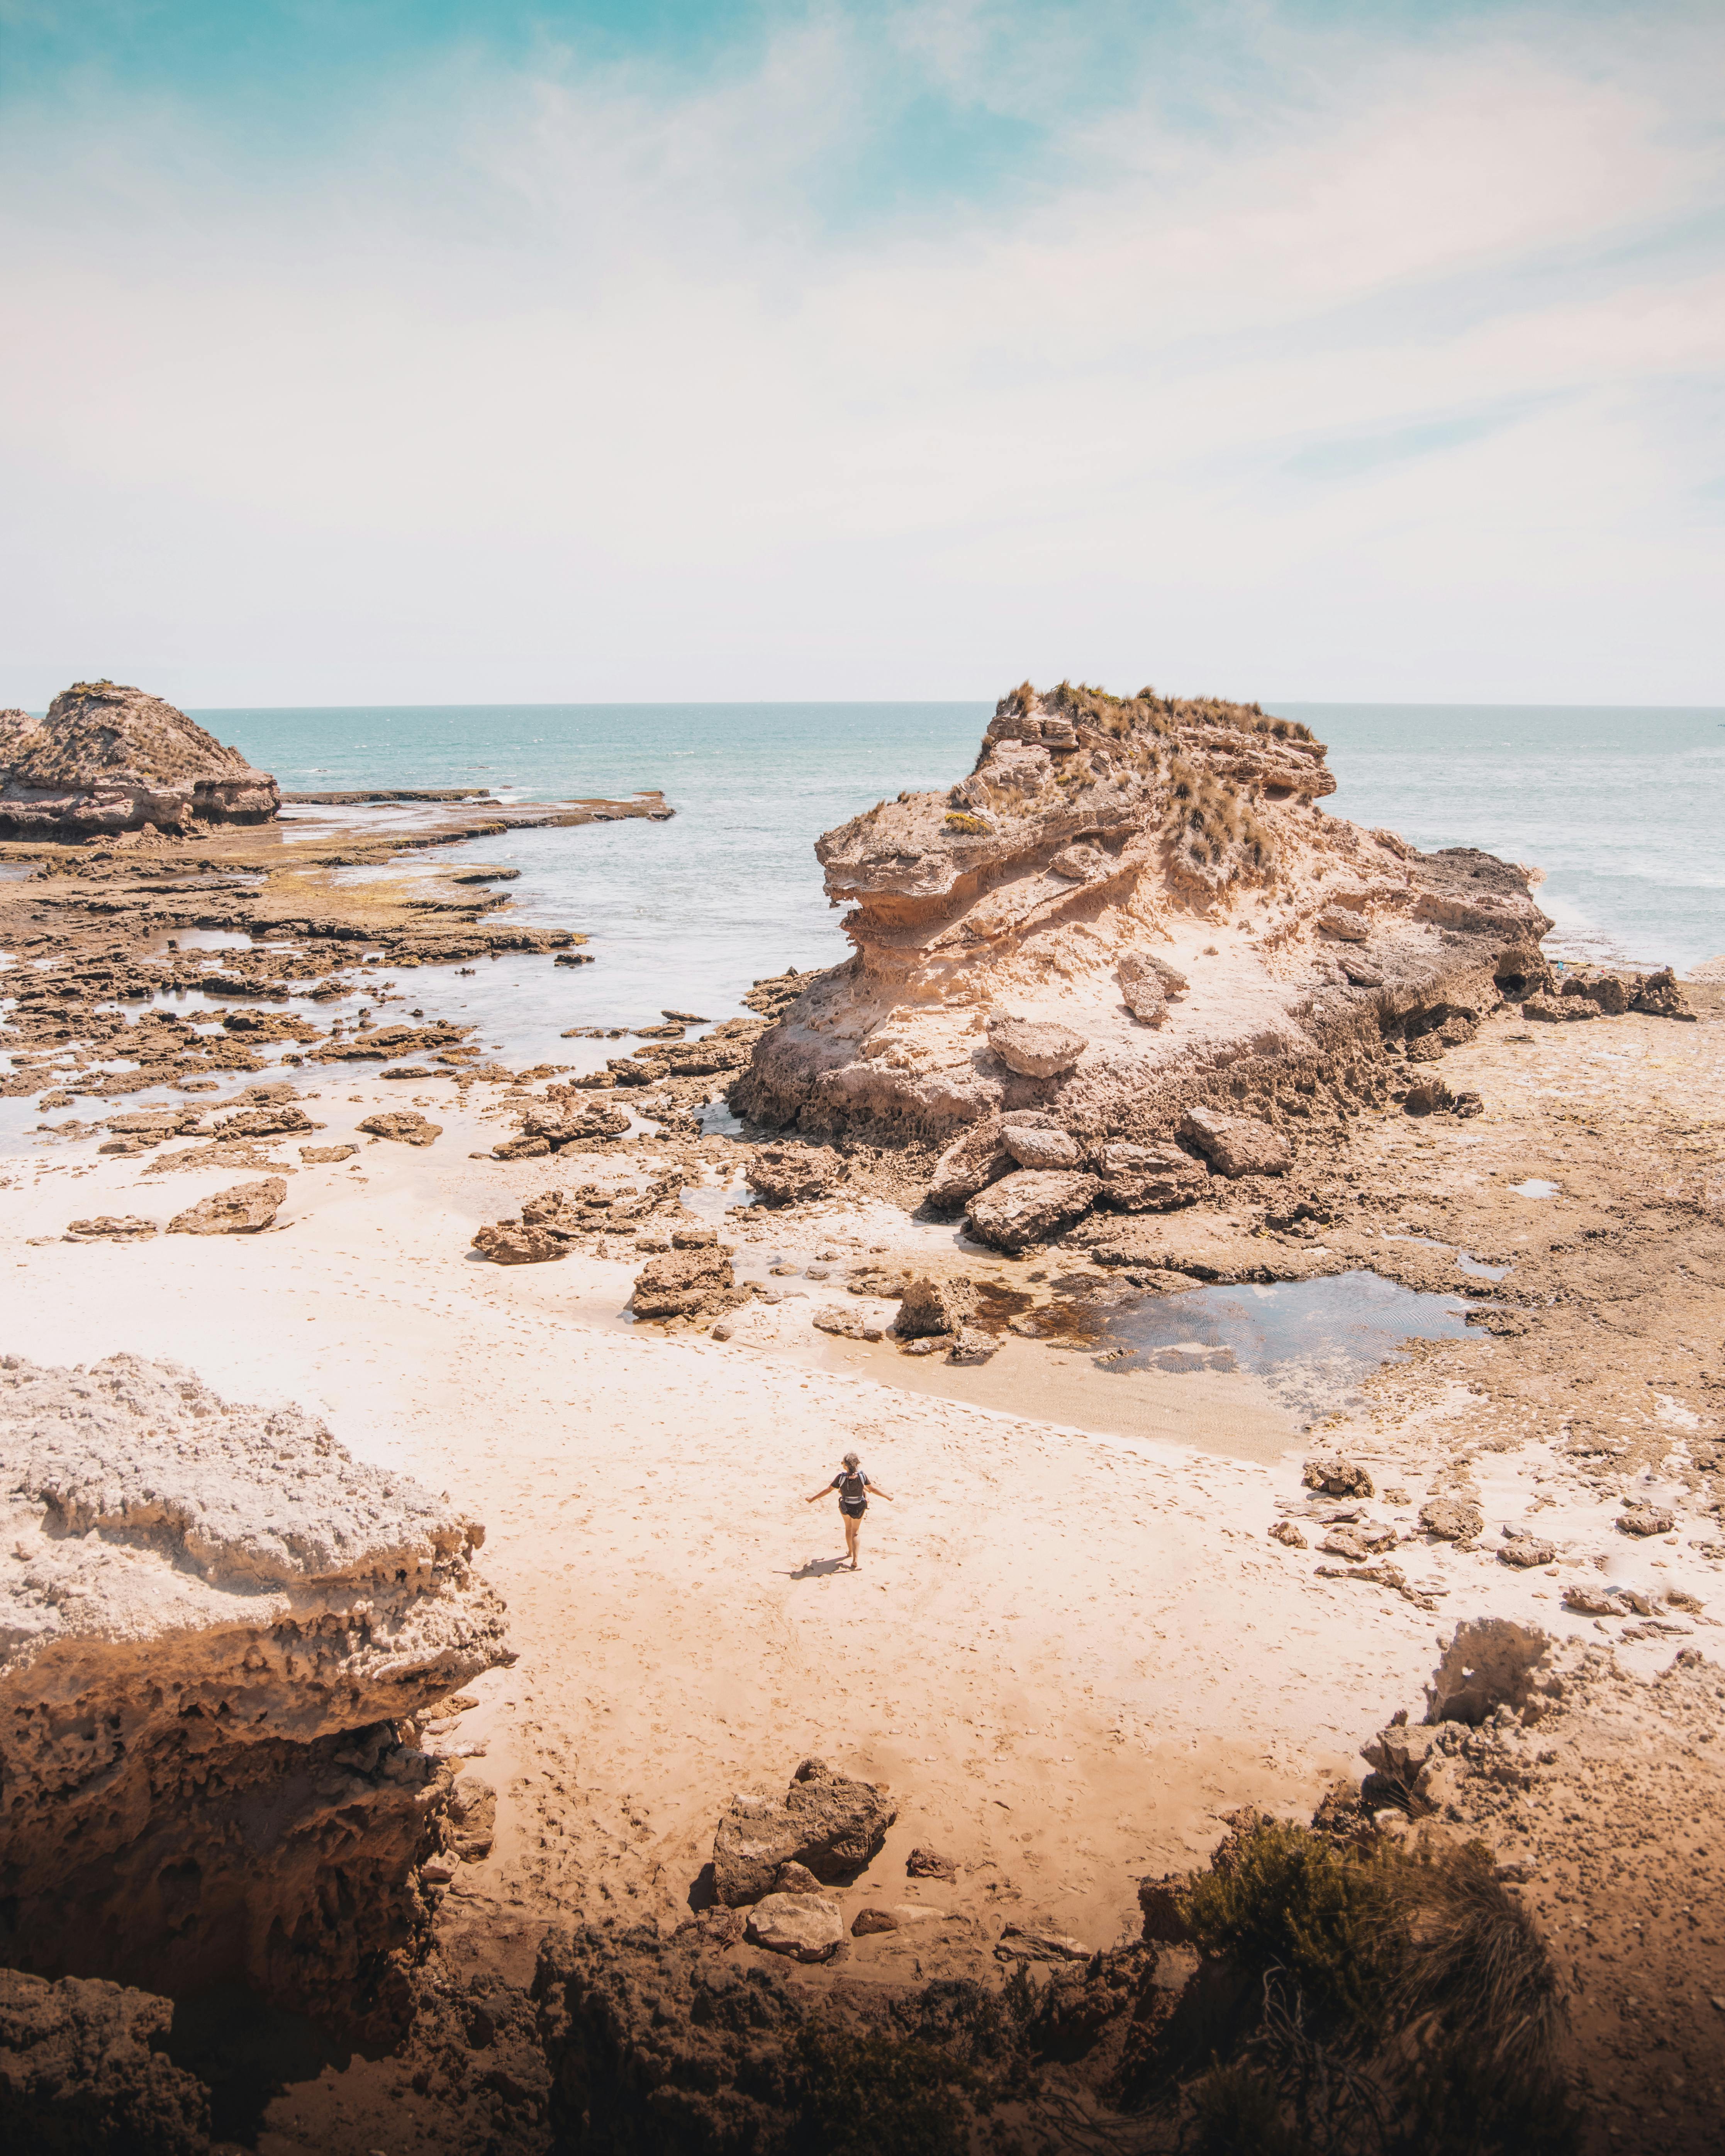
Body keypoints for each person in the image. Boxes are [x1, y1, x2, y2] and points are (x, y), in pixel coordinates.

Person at [806, 1449, 892, 1570]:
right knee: (856, 1532)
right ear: (857, 1464)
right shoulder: (862, 1476)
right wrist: (888, 1497)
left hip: (846, 1507)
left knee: (848, 1529)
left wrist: (812, 1499)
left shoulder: (840, 1478)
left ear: (845, 1466)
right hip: (859, 1507)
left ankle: (850, 1552)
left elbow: (827, 1490)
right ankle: (855, 1559)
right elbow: (872, 1490)